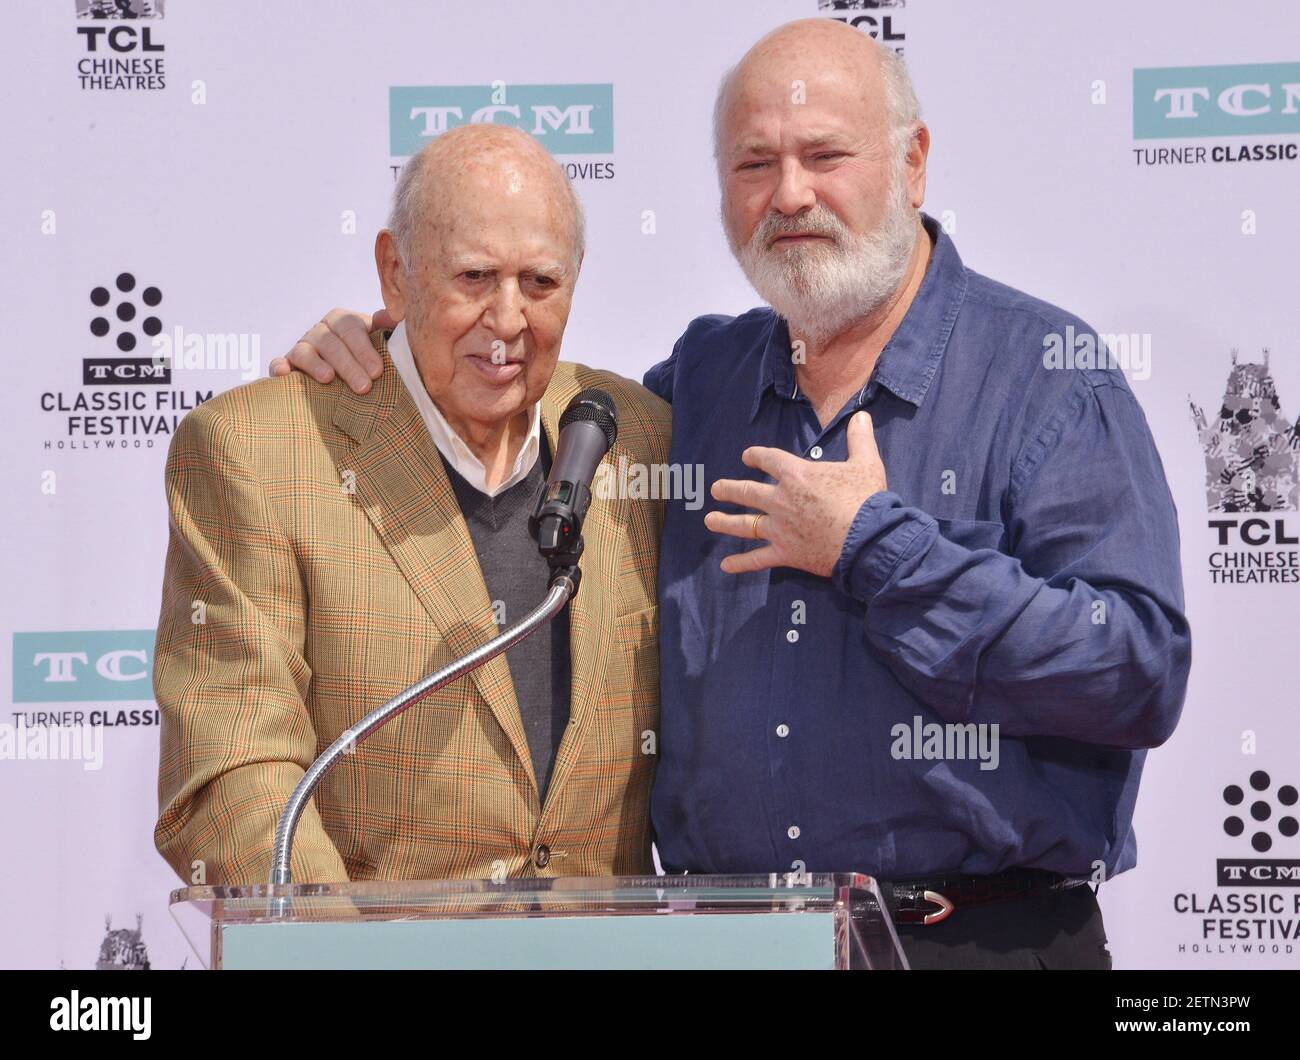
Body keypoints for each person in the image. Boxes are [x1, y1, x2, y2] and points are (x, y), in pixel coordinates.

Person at [273, 19, 1190, 969]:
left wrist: (876, 548)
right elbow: (502, 393)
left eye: (824, 155)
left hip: (977, 947)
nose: (789, 195)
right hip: (729, 949)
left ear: (913, 164)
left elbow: (1138, 674)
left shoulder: (1046, 375)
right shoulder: (696, 387)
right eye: (754, 164)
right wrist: (380, 356)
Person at [154, 124, 670, 885]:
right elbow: (232, 781)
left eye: (541, 283)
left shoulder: (641, 437)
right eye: (472, 277)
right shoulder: (257, 452)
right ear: (395, 273)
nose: (507, 320)